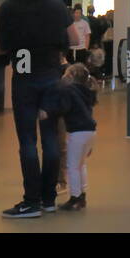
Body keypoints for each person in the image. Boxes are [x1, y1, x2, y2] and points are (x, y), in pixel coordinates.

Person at [0, 0, 71, 218]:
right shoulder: (55, 4)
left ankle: (31, 201)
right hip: (51, 75)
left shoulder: (7, 8)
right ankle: (49, 197)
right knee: (50, 138)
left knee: (27, 140)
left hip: (24, 77)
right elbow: (76, 39)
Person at [40, 63, 97, 211]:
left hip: (77, 132)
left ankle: (75, 198)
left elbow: (63, 107)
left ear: (70, 76)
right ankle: (82, 195)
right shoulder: (86, 91)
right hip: (90, 131)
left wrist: (48, 112)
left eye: (65, 74)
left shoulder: (68, 90)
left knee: (72, 166)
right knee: (81, 164)